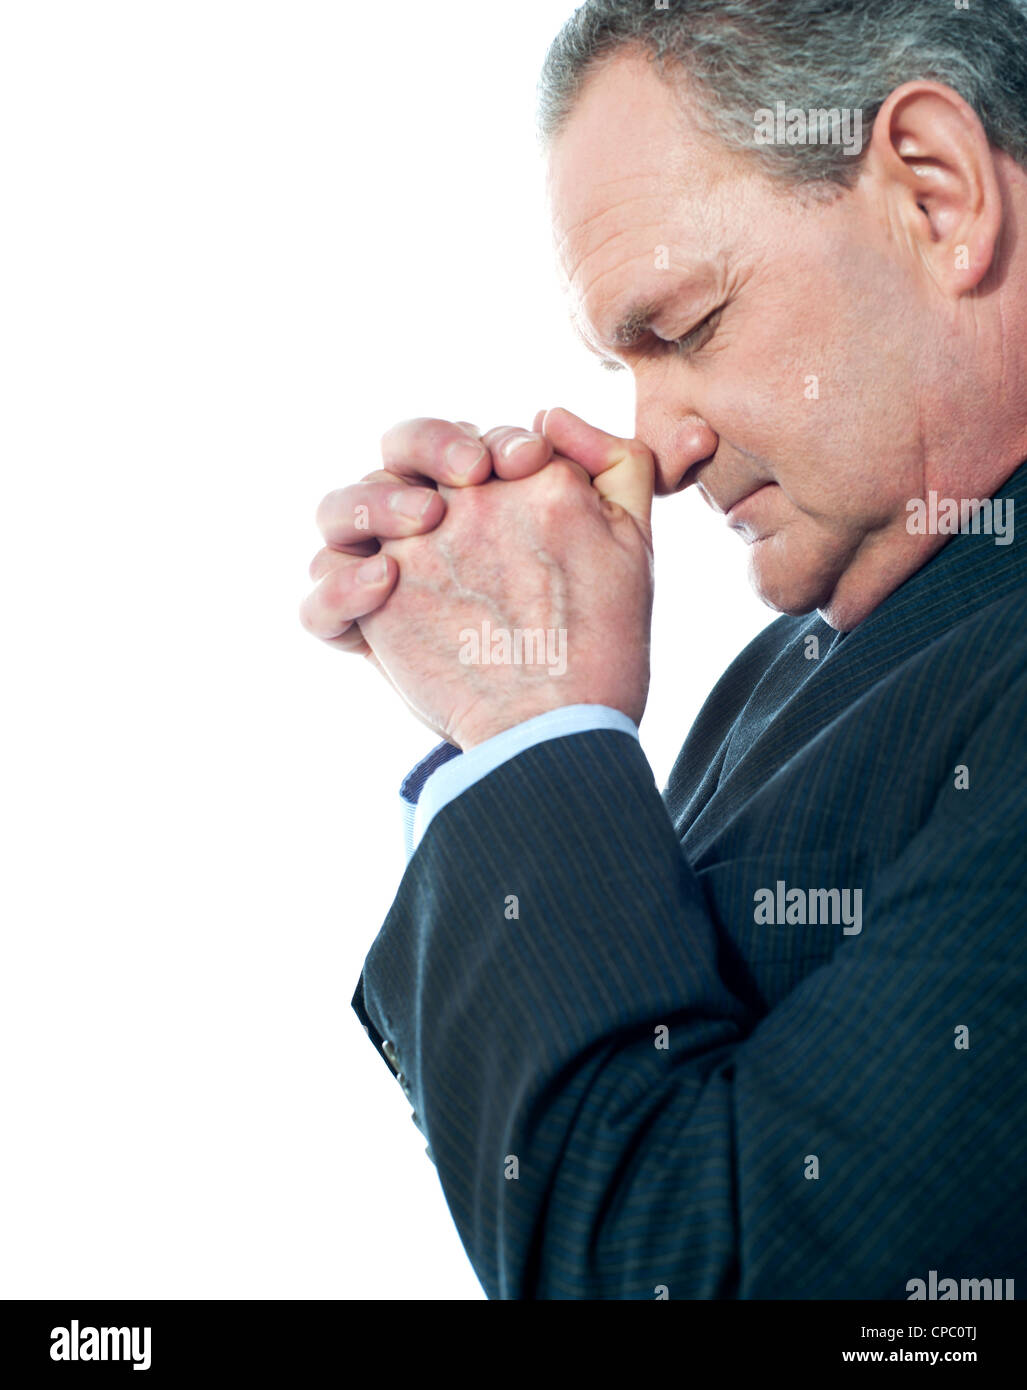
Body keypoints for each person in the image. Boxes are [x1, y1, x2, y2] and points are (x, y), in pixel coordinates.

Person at [299, 0, 1027, 1298]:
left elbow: (695, 1269)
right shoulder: (802, 659)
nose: (659, 448)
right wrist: (513, 748)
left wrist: (530, 733)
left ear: (936, 192)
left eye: (684, 330)